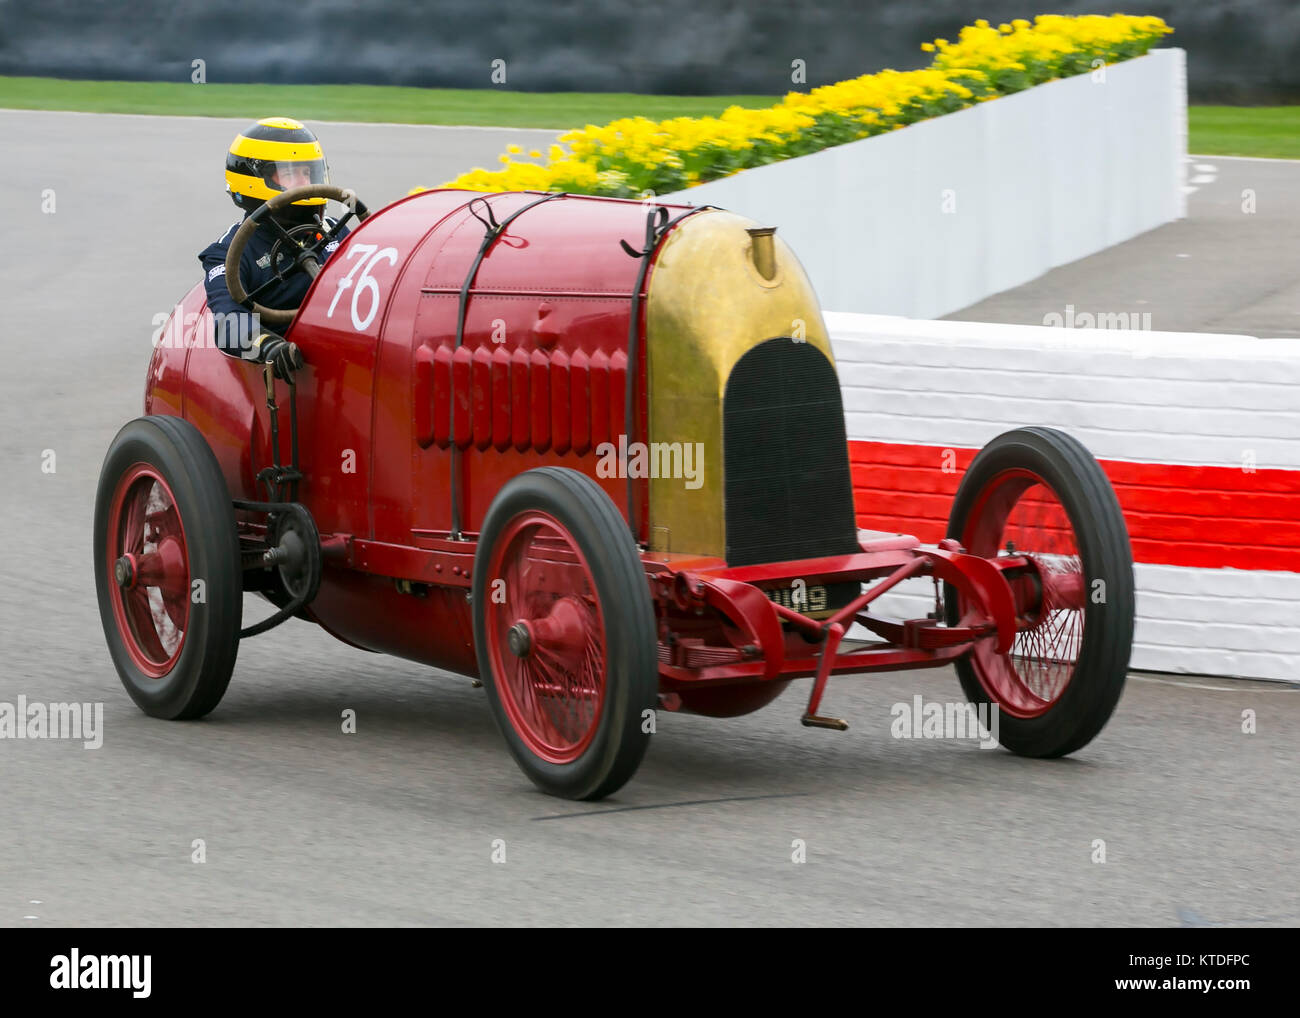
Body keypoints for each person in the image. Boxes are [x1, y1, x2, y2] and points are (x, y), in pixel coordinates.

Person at [198, 118, 349, 379]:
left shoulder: (340, 230)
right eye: (291, 174)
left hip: (351, 347)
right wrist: (270, 348)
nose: (304, 183)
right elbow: (229, 323)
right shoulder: (227, 254)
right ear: (254, 180)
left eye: (307, 172)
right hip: (297, 370)